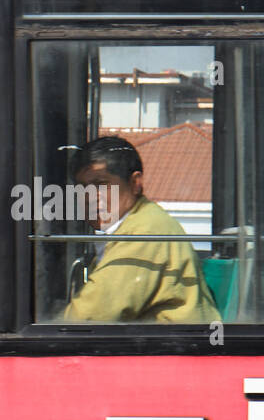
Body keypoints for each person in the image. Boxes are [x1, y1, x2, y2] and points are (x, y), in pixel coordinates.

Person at [60, 136, 218, 322]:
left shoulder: (144, 232)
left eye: (101, 184)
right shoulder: (132, 225)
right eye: (82, 188)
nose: (90, 197)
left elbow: (89, 315)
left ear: (135, 183)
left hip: (171, 346)